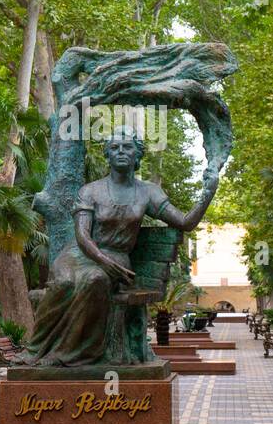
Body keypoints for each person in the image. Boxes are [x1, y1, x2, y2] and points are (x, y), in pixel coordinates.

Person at [22, 126, 219, 366]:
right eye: (114, 148)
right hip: (80, 254)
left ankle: (72, 354)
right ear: (107, 155)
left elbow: (186, 222)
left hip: (117, 258)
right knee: (63, 283)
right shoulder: (90, 190)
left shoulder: (148, 192)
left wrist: (207, 195)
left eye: (128, 147)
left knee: (95, 280)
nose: (121, 152)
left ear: (138, 154)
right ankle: (34, 349)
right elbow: (82, 235)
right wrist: (103, 260)